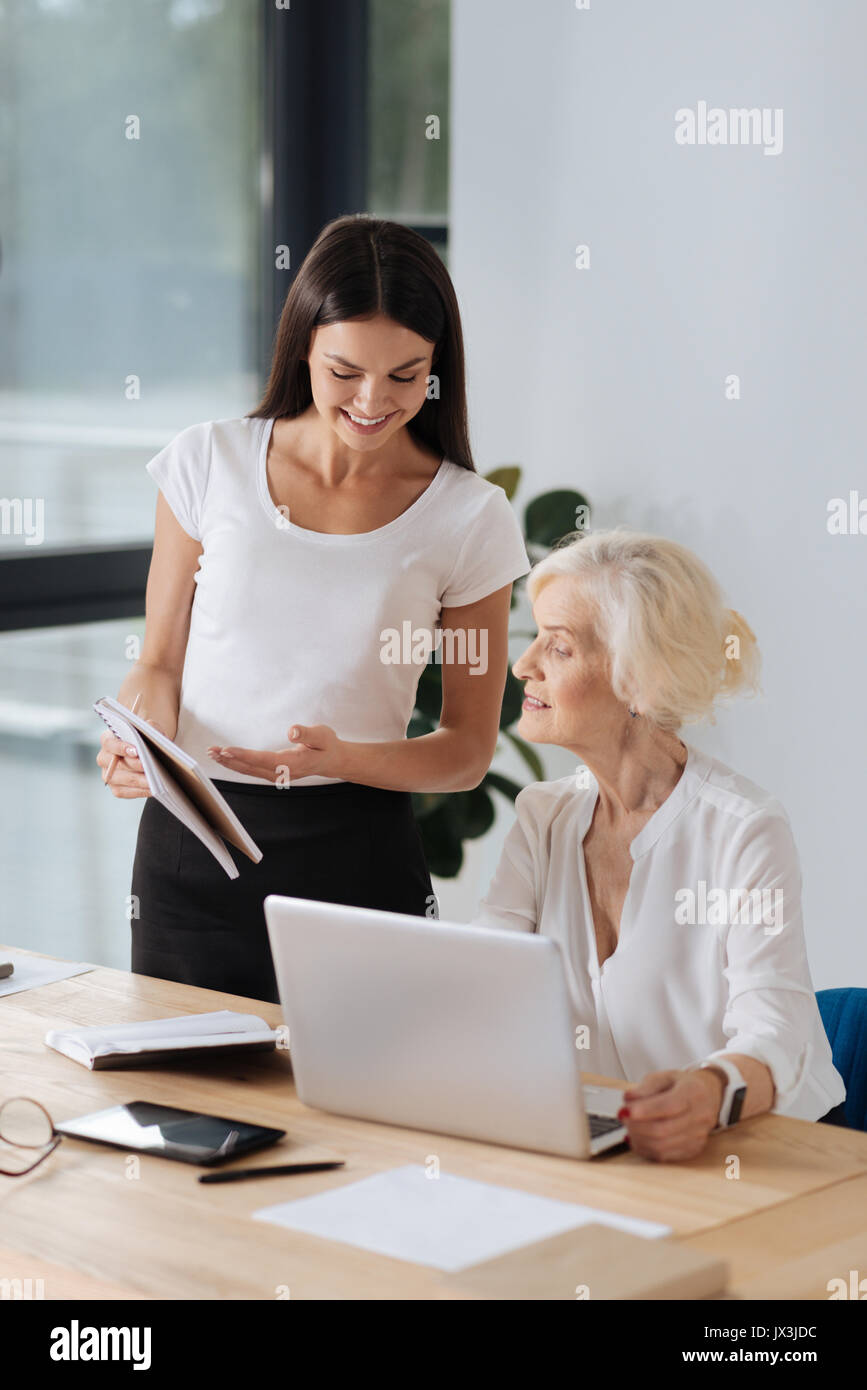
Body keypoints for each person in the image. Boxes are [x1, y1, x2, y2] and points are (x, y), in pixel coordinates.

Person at [97, 215, 529, 1003]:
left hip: (358, 859)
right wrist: (140, 746)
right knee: (182, 1109)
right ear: (302, 346)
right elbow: (158, 663)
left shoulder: (468, 517)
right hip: (192, 853)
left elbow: (466, 749)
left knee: (365, 1117)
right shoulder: (208, 463)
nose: (373, 401)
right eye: (345, 371)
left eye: (405, 375)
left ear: (437, 368)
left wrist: (341, 760)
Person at [473, 528, 846, 1160]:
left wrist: (708, 1091)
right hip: (618, 1147)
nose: (523, 664)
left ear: (637, 680)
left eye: (557, 648)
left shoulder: (744, 827)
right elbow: (484, 977)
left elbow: (775, 1031)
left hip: (764, 1151)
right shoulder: (544, 816)